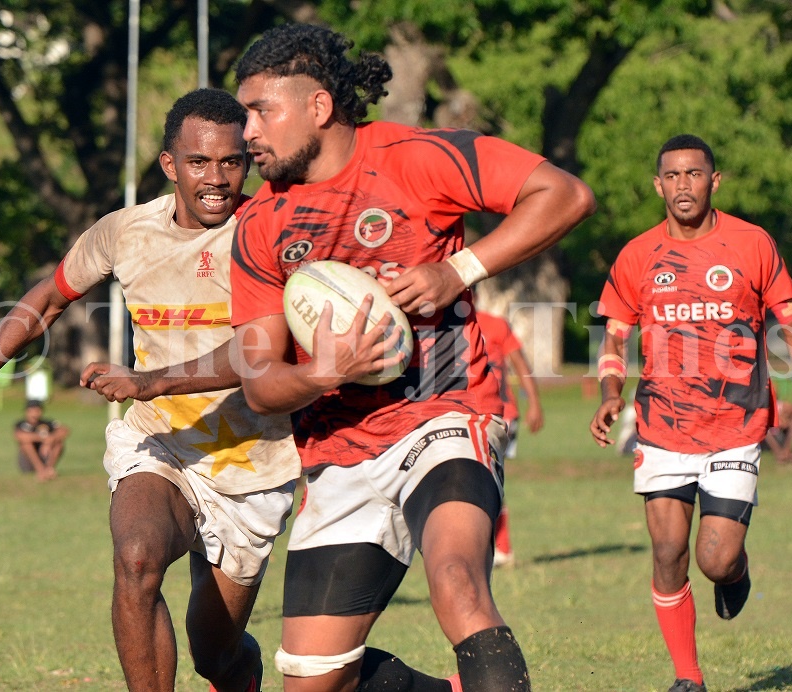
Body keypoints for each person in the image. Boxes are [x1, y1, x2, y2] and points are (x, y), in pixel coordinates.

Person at [226, 23, 593, 692]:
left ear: (318, 106)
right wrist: (322, 371)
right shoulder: (259, 226)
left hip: (443, 416)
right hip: (339, 452)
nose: (246, 130)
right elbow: (259, 385)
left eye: (261, 110)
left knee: (456, 581)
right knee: (314, 681)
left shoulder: (417, 157)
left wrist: (458, 270)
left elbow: (564, 195)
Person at [0, 88, 301, 692]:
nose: (216, 178)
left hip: (253, 464)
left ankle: (239, 674)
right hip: (161, 442)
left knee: (217, 655)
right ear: (170, 164)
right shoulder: (127, 231)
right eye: (199, 162)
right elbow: (48, 296)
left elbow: (260, 354)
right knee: (136, 558)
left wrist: (148, 380)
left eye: (232, 162)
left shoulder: (271, 232)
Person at [589, 134, 792, 692]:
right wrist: (610, 392)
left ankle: (736, 573)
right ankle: (689, 678)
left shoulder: (751, 243)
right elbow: (613, 333)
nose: (684, 185)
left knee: (715, 558)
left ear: (715, 180)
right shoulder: (637, 254)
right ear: (659, 185)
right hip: (661, 428)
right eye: (673, 176)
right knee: (666, 552)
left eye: (695, 174)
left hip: (736, 425)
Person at [475, 307, 544, 568]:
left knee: (489, 481)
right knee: (485, 481)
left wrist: (534, 403)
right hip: (466, 414)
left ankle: (500, 548)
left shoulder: (494, 325)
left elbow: (520, 364)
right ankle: (497, 549)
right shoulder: (446, 324)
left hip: (501, 415)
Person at [14, 399, 70, 481]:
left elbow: (65, 430)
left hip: (45, 456)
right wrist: (44, 439)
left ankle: (48, 469)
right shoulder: (21, 424)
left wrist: (51, 439)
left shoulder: (47, 423)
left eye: (36, 411)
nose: (34, 414)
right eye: (31, 411)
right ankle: (41, 470)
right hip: (28, 461)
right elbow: (20, 436)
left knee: (59, 443)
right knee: (26, 444)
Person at [763, 398, 792, 464]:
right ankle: (779, 453)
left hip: (779, 434)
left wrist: (784, 416)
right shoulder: (762, 408)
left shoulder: (781, 406)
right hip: (764, 438)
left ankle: (787, 450)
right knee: (765, 428)